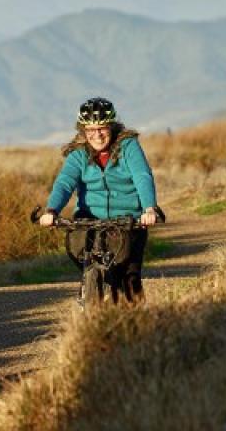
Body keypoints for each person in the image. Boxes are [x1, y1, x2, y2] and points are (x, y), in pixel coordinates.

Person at [38, 97, 160, 302]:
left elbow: (142, 175)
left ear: (111, 126)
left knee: (130, 279)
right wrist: (51, 211)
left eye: (102, 128)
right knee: (83, 253)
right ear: (83, 131)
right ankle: (90, 289)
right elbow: (64, 183)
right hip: (90, 218)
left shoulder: (128, 146)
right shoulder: (78, 154)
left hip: (128, 219)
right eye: (90, 130)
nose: (97, 135)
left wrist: (149, 208)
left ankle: (137, 328)